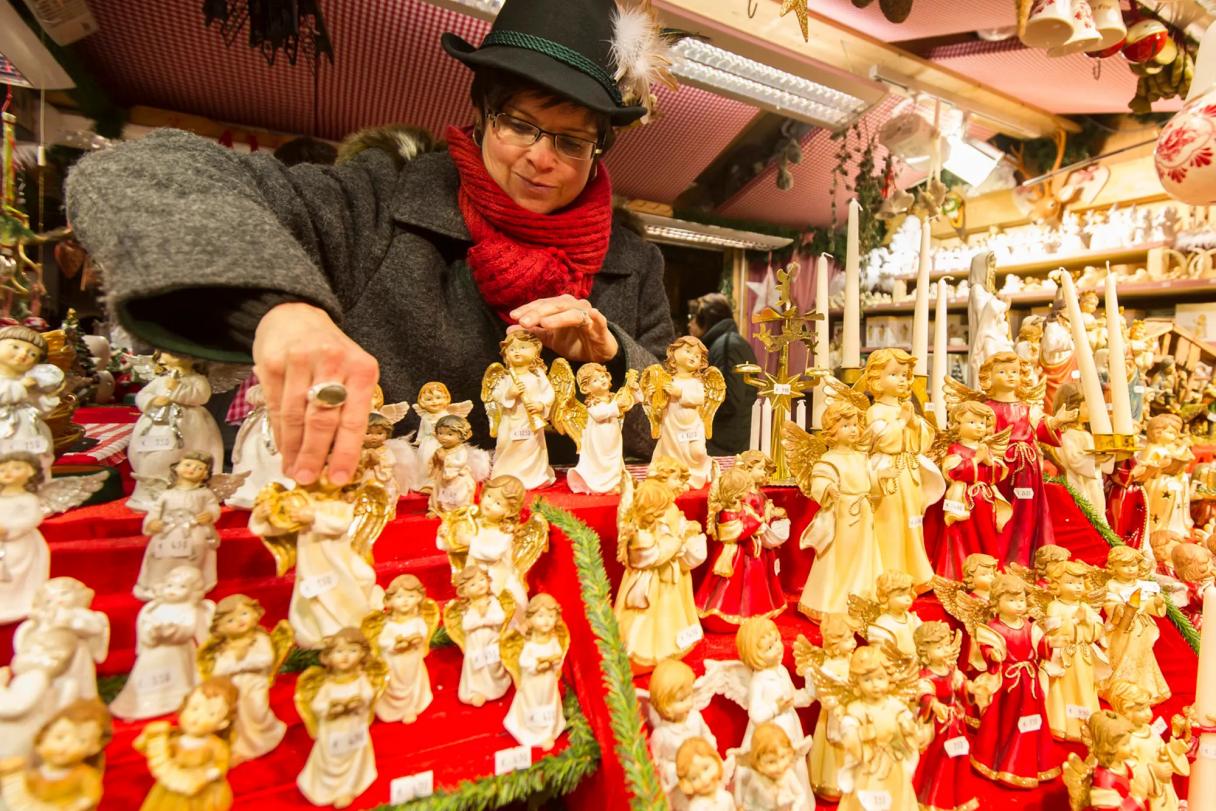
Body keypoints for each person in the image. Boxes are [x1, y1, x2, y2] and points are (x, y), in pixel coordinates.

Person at [64, 0, 676, 488]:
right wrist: (279, 307)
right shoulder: (375, 204)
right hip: (387, 564)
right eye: (520, 124)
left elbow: (676, 427)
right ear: (483, 113)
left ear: (599, 150)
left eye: (571, 142)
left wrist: (611, 357)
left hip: (580, 568)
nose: (541, 157)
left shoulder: (634, 264)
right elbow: (142, 173)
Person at [688, 293, 756, 456]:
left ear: (706, 318)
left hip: (725, 445)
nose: (689, 323)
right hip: (729, 441)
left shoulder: (727, 346)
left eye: (692, 317)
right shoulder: (726, 342)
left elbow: (728, 400)